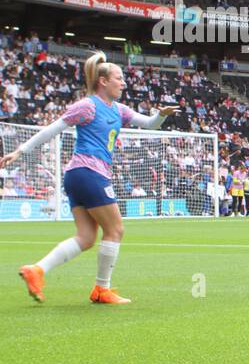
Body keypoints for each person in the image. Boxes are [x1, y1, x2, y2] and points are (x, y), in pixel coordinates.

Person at [4, 52, 177, 305]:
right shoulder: (88, 105)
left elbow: (150, 124)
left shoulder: (120, 110)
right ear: (103, 81)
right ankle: (101, 290)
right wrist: (21, 151)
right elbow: (53, 128)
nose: (123, 82)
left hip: (79, 175)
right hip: (89, 173)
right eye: (118, 78)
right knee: (115, 229)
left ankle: (37, 270)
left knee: (86, 238)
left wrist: (162, 114)